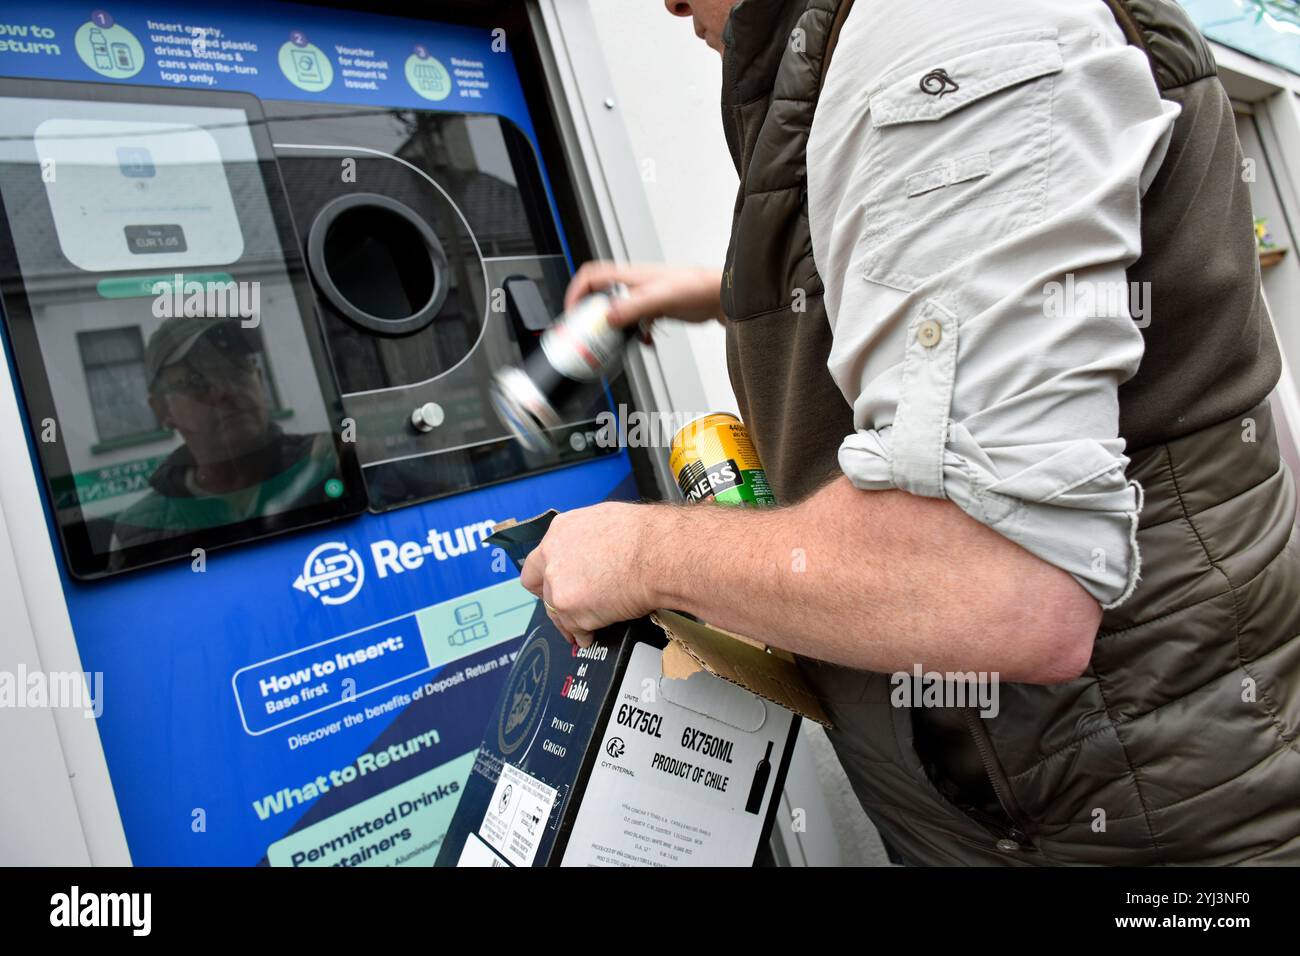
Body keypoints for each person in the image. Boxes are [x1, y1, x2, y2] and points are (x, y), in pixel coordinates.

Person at [519, 0, 1300, 864]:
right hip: (1042, 800)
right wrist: (717, 292)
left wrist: (639, 555)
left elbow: (997, 580)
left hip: (1140, 822)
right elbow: (968, 265)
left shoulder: (939, 22)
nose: (665, 1)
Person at [109, 317, 339, 562]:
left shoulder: (331, 465)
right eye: (196, 381)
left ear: (259, 380)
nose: (225, 391)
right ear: (162, 410)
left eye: (237, 368)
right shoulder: (136, 535)